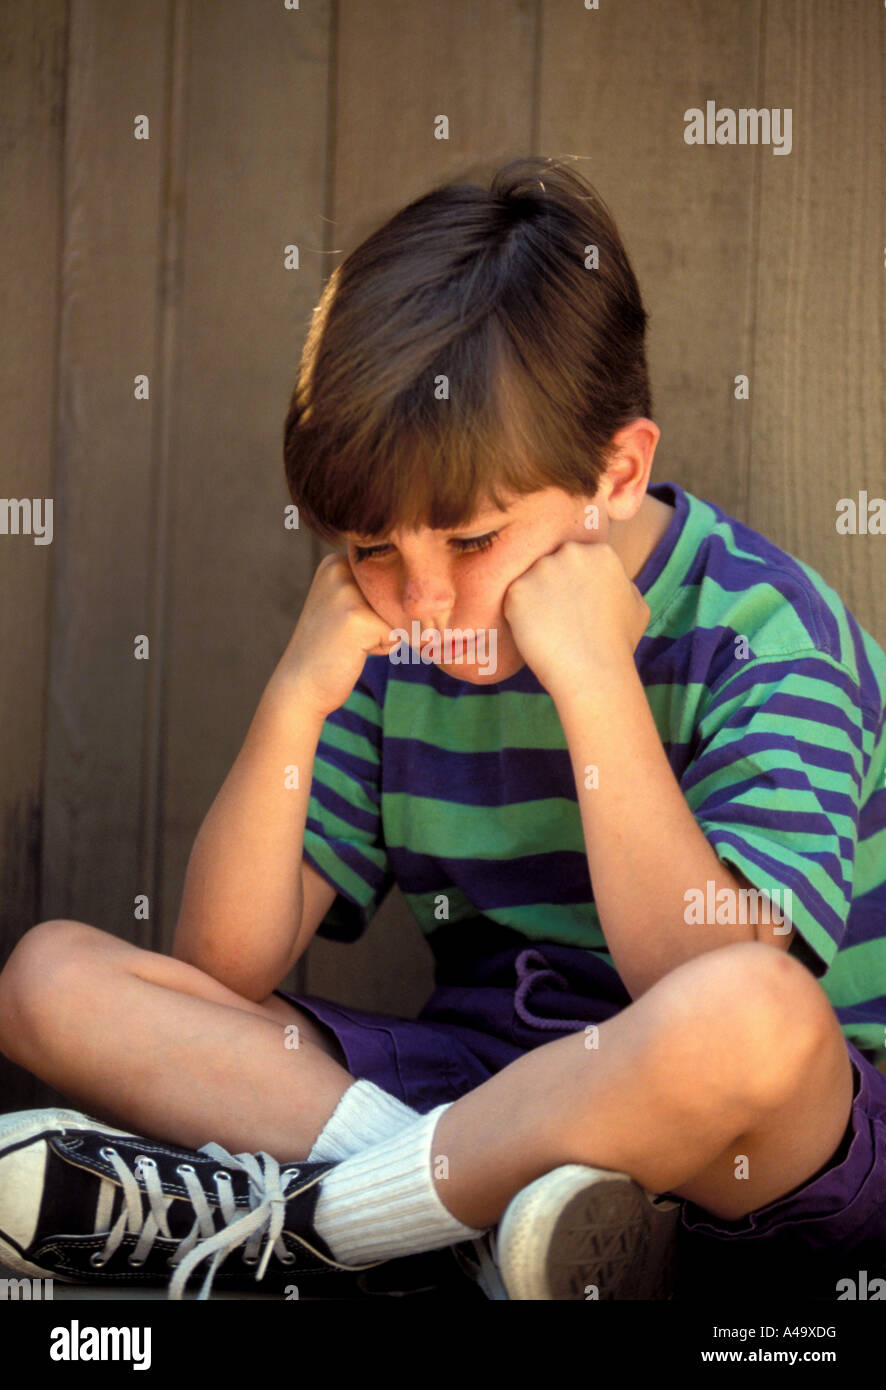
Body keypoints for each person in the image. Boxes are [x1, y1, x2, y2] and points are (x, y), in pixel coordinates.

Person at [1, 156, 884, 1303]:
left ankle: (333, 1223)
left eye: (470, 544)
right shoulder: (390, 640)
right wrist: (295, 699)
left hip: (747, 1149)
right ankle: (443, 1218)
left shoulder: (767, 636)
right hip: (466, 1093)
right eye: (372, 548)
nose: (422, 602)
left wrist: (593, 683)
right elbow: (223, 969)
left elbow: (702, 980)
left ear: (613, 472)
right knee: (47, 978)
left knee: (754, 1014)